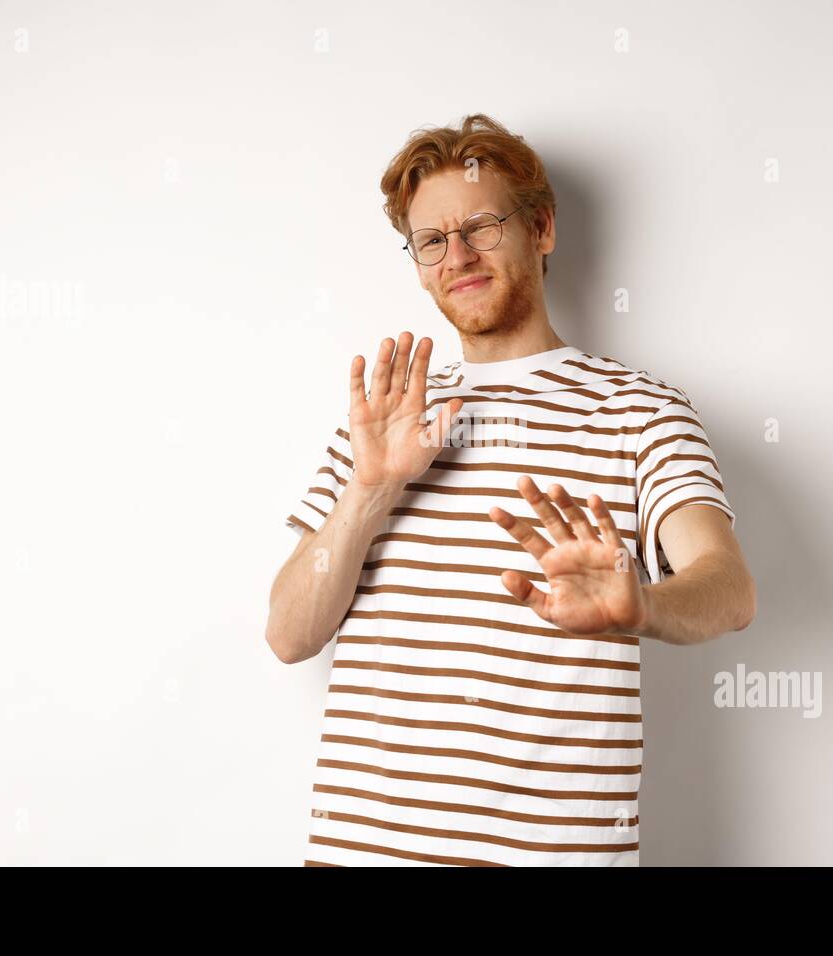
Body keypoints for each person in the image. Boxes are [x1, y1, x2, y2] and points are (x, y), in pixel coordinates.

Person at [267, 114, 756, 866]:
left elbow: (728, 589)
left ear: (543, 229)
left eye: (482, 227)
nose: (456, 255)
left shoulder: (640, 410)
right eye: (431, 241)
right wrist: (371, 489)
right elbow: (289, 635)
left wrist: (645, 604)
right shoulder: (386, 417)